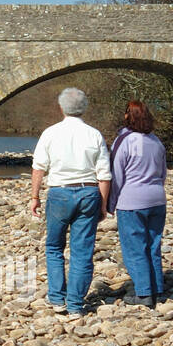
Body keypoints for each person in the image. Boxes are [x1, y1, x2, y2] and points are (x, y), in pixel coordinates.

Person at [31, 88, 112, 315]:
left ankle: (57, 299)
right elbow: (104, 175)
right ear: (84, 108)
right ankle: (75, 305)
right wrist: (103, 204)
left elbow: (38, 168)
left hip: (59, 193)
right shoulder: (94, 134)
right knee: (82, 251)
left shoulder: (50, 133)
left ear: (61, 108)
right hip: (88, 193)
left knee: (54, 246)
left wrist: (34, 197)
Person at [108, 100, 168, 309]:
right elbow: (163, 173)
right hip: (157, 199)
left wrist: (110, 204)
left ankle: (143, 293)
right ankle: (157, 288)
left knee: (135, 248)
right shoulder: (156, 141)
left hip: (132, 200)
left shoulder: (123, 141)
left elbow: (117, 176)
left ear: (128, 116)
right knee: (153, 245)